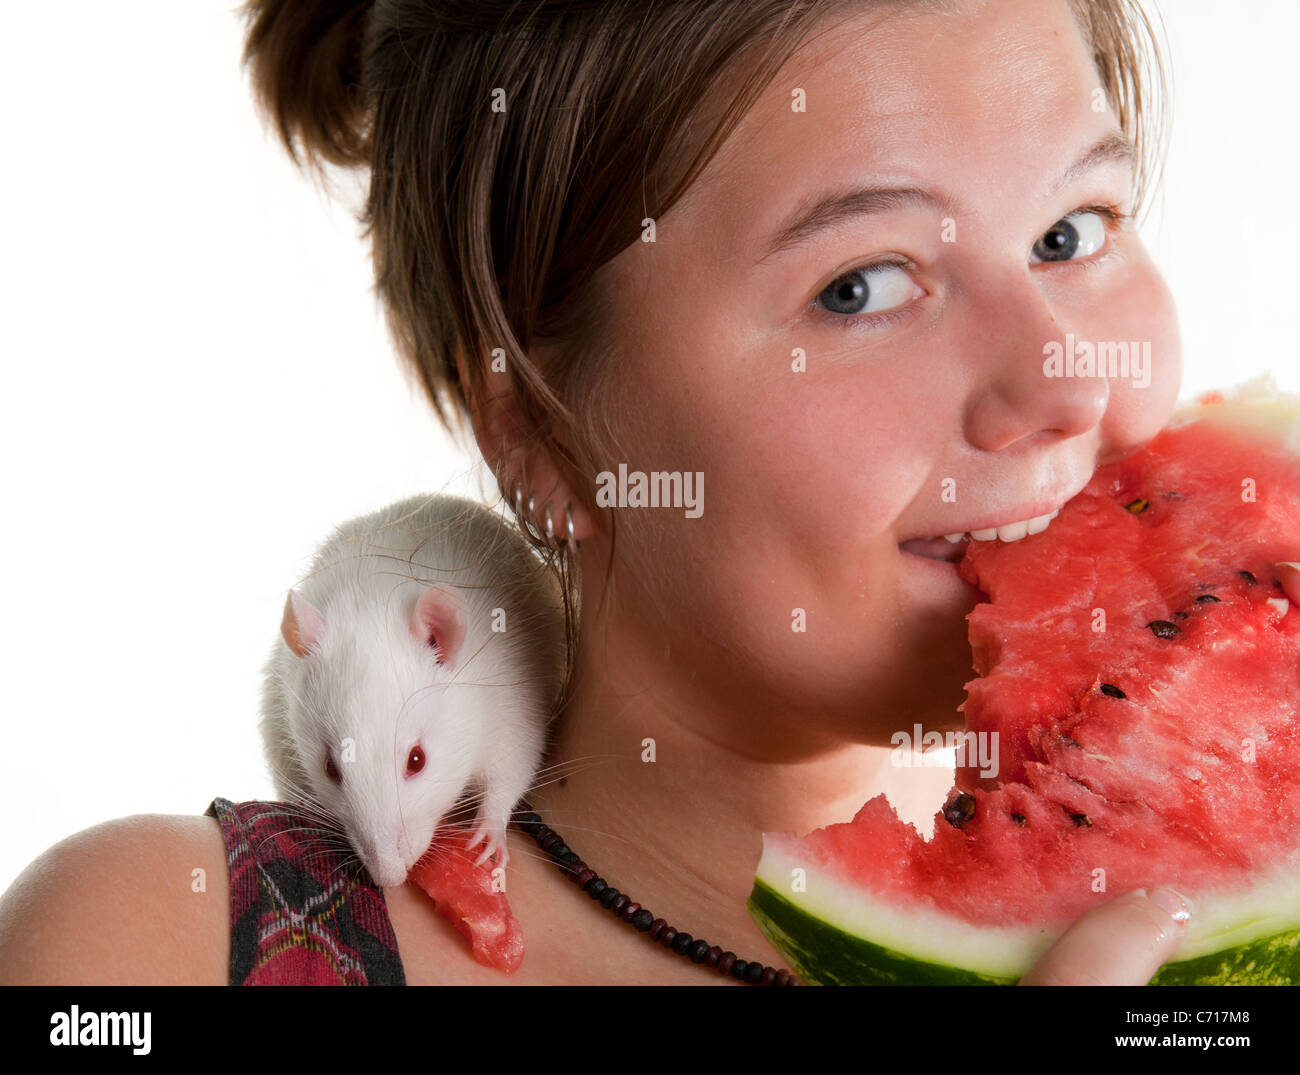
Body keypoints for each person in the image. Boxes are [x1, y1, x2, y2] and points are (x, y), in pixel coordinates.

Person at [4, 0, 1276, 986]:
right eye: (860, 286)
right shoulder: (160, 951)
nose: (1059, 382)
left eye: (1074, 230)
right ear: (537, 434)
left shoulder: (1233, 945)